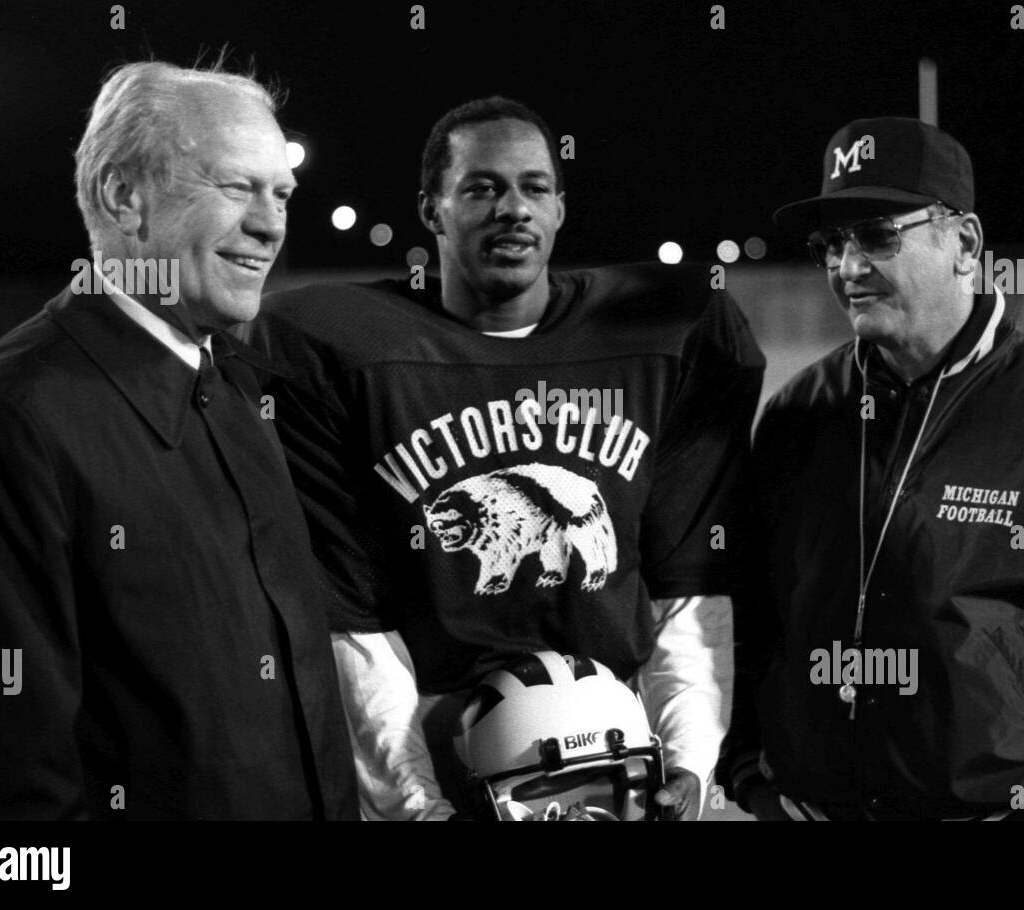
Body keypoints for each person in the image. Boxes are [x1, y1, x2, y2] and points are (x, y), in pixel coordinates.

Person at [248, 96, 764, 820]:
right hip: (447, 741)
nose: (512, 209)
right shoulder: (338, 348)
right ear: (432, 209)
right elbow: (353, 622)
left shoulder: (665, 334)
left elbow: (685, 590)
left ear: (559, 208)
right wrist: (418, 802)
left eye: (534, 187)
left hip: (612, 749)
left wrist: (690, 763)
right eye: (482, 187)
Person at [720, 116, 1024, 821]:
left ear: (965, 243)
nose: (847, 267)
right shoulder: (799, 413)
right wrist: (755, 772)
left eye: (878, 235)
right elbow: (757, 617)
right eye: (831, 243)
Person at [0, 61, 358, 820]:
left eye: (280, 192)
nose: (271, 224)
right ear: (124, 198)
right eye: (235, 187)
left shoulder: (245, 390)